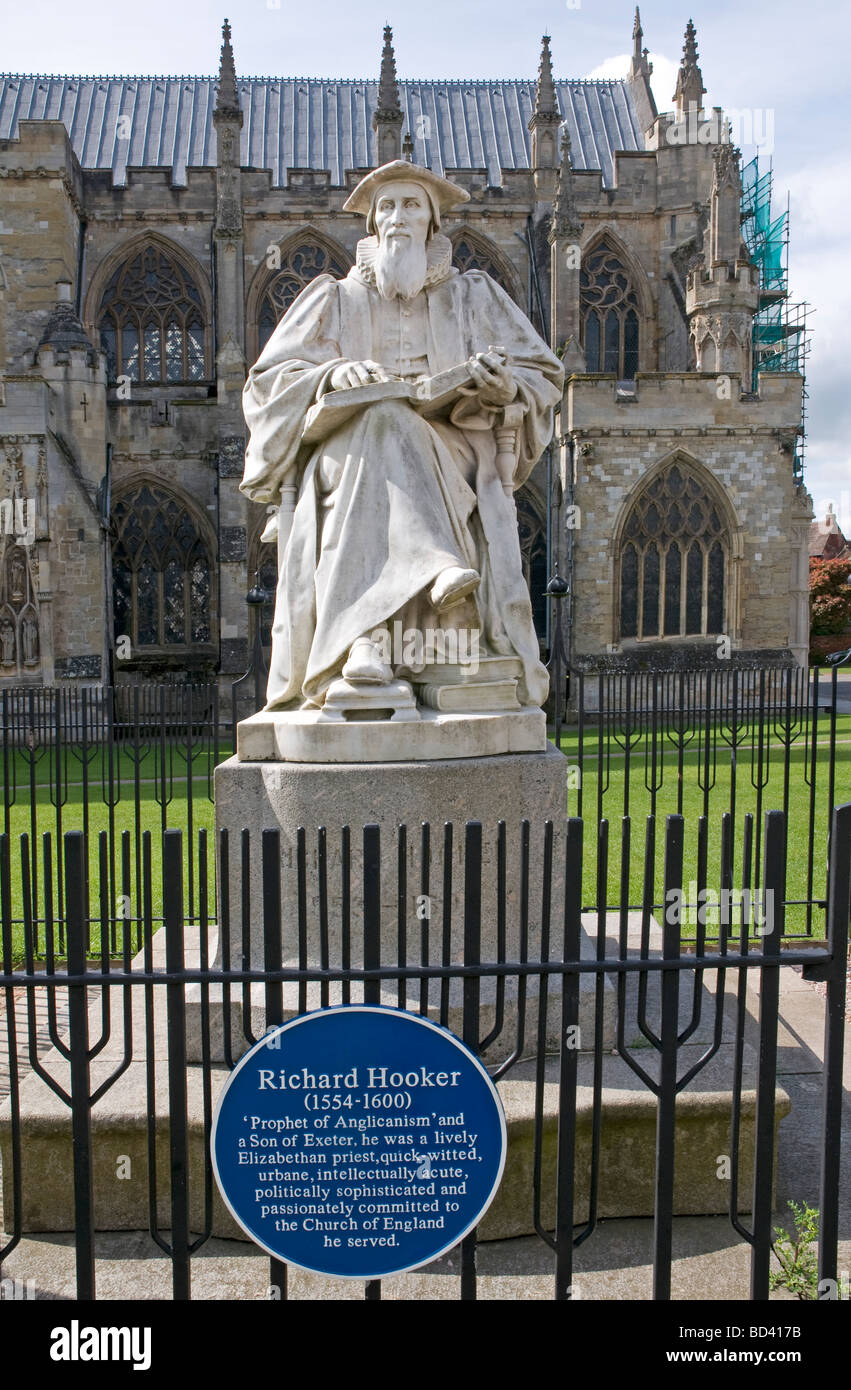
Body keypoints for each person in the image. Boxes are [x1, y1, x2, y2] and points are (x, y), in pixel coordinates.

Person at [240, 160, 564, 712]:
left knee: (396, 421)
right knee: (385, 417)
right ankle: (433, 574)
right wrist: (329, 375)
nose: (398, 217)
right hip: (343, 452)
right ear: (372, 224)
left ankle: (366, 642)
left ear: (432, 223)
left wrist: (504, 387)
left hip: (453, 450)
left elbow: (545, 376)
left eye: (411, 205)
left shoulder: (474, 297)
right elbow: (266, 385)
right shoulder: (332, 299)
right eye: (386, 207)